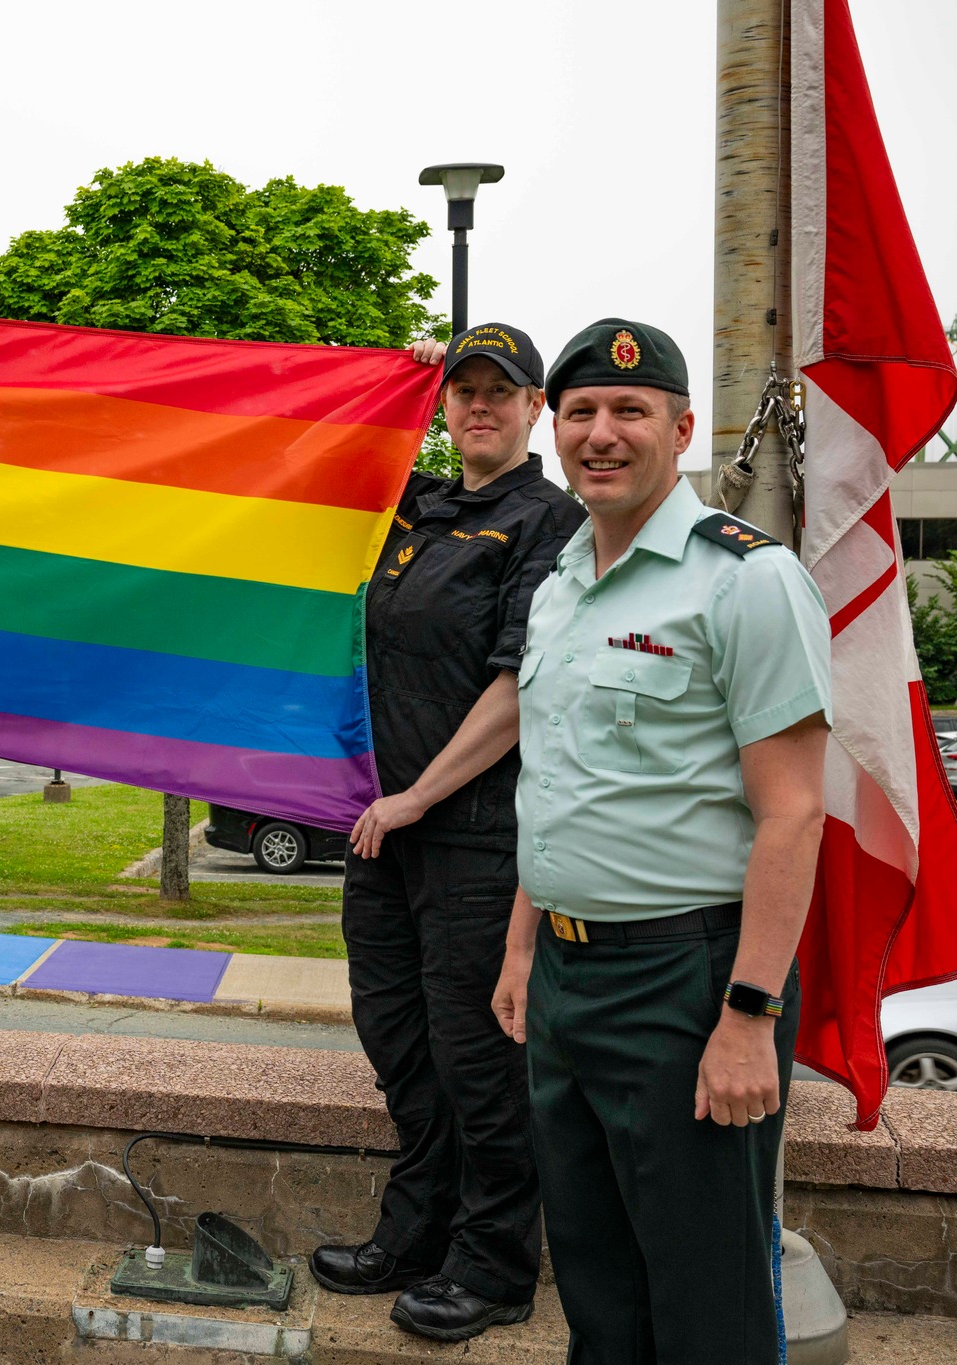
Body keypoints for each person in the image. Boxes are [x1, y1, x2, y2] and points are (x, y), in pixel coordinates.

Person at [492, 319, 831, 1363]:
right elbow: (552, 782)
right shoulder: (560, 585)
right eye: (580, 411)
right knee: (595, 1283)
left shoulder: (742, 580)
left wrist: (746, 1016)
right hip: (563, 975)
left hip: (686, 985)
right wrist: (520, 946)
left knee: (705, 1295)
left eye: (628, 412)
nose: (601, 432)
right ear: (553, 430)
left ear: (680, 429)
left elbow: (792, 810)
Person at [311, 324, 585, 1343]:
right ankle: (415, 1232)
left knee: (478, 1059)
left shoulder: (544, 524)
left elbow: (520, 686)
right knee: (398, 1044)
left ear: (532, 411)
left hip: (469, 833)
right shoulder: (412, 507)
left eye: (498, 391)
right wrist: (379, 369)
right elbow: (320, 464)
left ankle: (494, 1263)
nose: (477, 405)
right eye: (460, 388)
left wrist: (420, 794)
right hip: (376, 831)